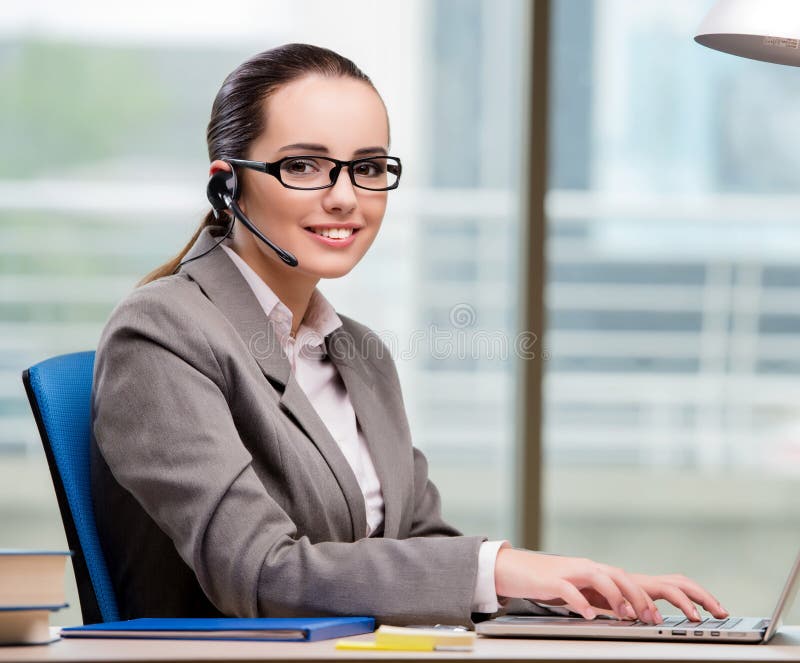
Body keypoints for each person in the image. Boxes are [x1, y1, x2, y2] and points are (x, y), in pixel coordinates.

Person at [90, 42, 729, 627]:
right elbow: (259, 573)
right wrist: (497, 565)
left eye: (367, 167)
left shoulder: (357, 350)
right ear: (227, 185)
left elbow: (417, 541)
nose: (345, 197)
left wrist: (581, 587)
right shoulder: (162, 331)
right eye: (305, 165)